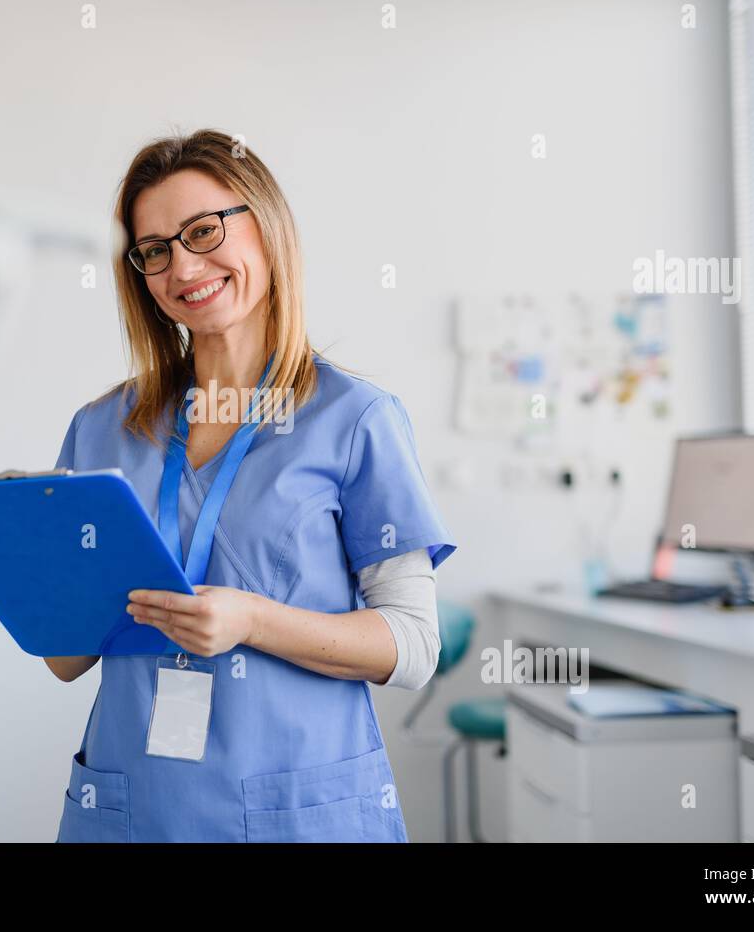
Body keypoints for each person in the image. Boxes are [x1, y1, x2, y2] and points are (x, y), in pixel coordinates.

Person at [49, 129, 455, 842]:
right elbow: (65, 656)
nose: (183, 265)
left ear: (265, 227)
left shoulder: (354, 419)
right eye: (155, 250)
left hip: (296, 808)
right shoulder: (99, 429)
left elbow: (415, 645)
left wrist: (253, 620)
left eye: (203, 231)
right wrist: (17, 565)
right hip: (133, 804)